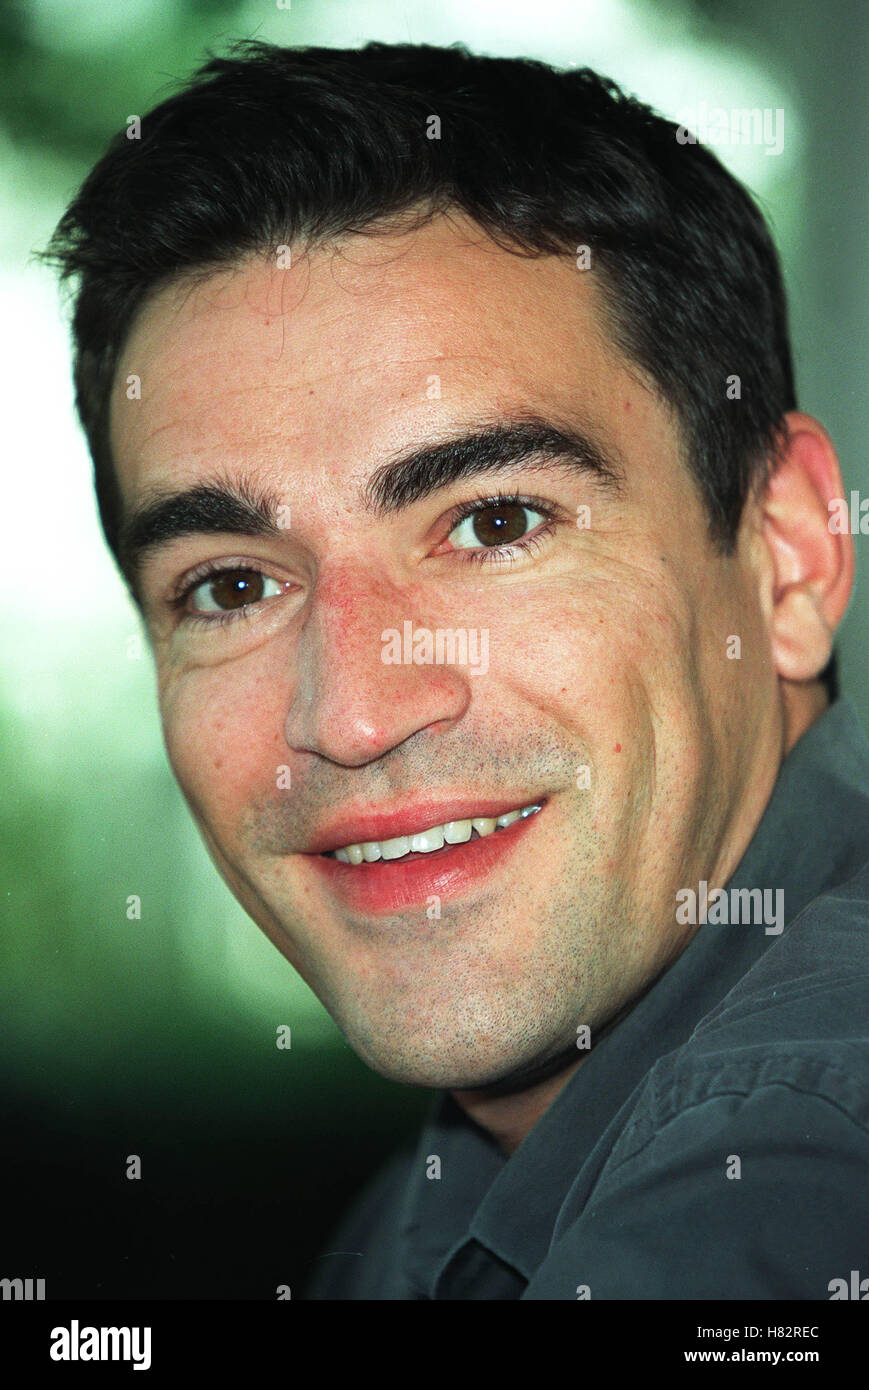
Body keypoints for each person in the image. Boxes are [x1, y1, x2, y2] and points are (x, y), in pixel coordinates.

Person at [43, 39, 869, 1300]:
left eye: (491, 522)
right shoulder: (466, 1195)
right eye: (231, 585)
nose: (355, 712)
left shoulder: (788, 1156)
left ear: (786, 554)